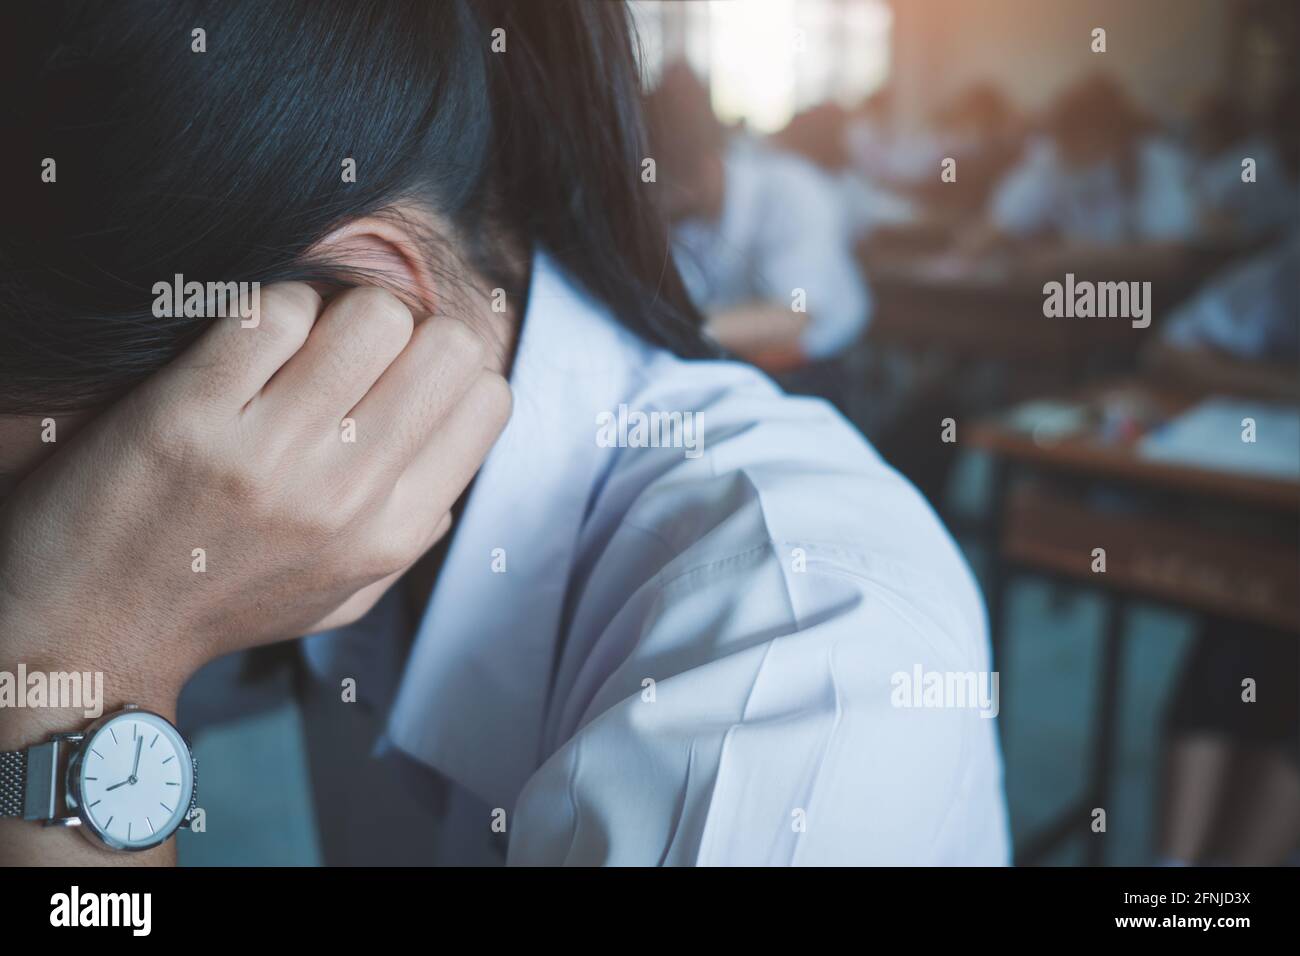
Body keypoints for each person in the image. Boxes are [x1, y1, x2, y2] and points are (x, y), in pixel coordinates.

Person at [0, 0, 1008, 867]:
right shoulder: (340, 520)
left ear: (362, 321)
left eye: (54, 497)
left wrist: (80, 670)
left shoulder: (799, 673)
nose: (41, 544)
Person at [644, 63, 872, 372]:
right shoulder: (682, 211)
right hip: (736, 358)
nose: (654, 205)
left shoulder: (793, 191)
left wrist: (669, 329)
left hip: (817, 362)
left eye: (661, 192)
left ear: (704, 165)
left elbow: (792, 318)